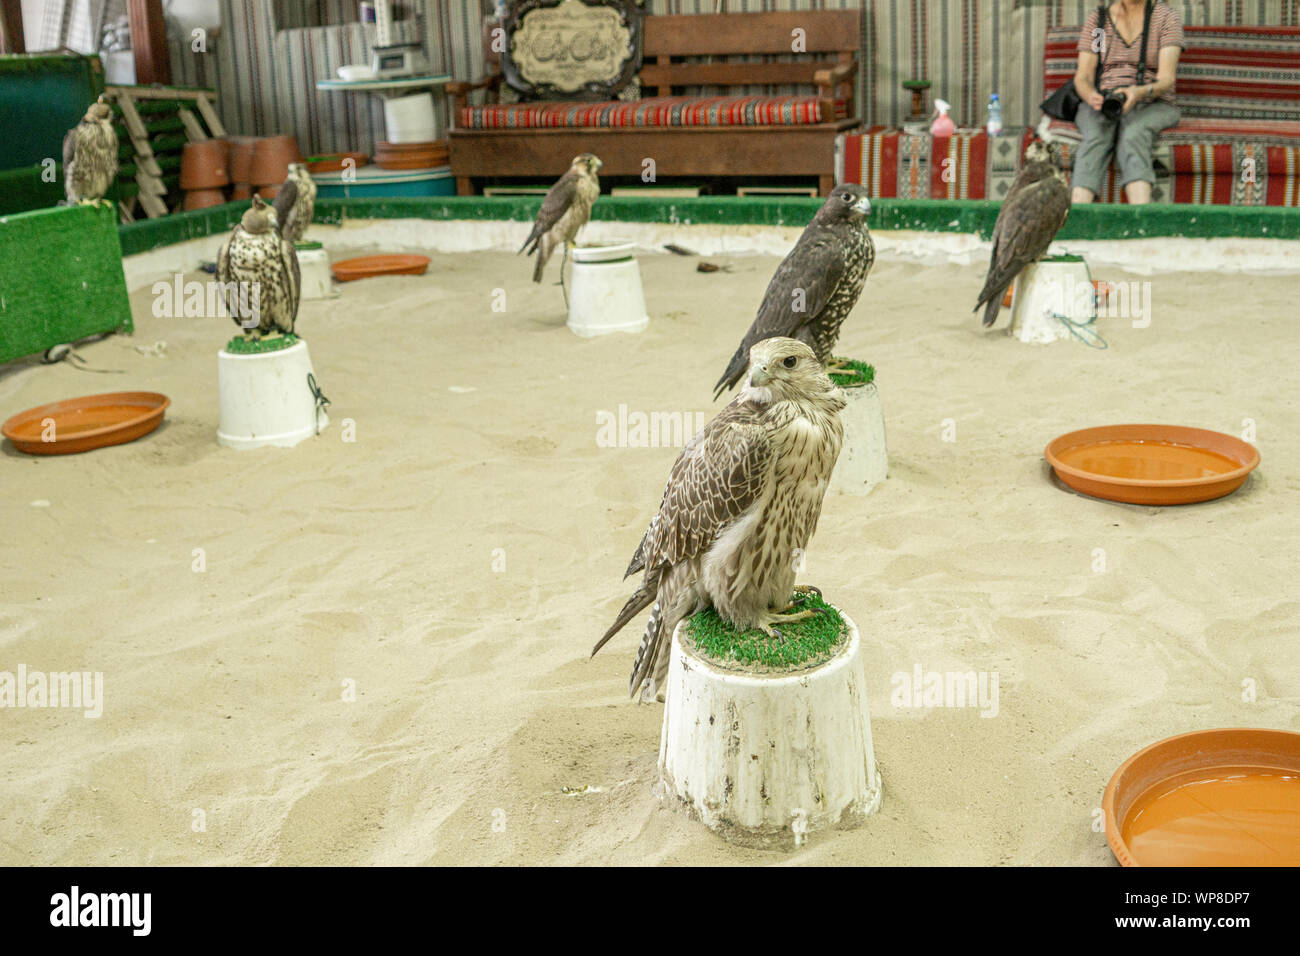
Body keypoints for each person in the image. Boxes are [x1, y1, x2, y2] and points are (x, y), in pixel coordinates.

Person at [1071, 0, 1184, 205]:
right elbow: (1083, 77)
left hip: (1153, 101)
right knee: (1096, 136)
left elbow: (1166, 79)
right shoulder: (1099, 21)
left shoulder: (1165, 18)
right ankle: (1077, 218)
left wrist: (1139, 93)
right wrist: (1090, 96)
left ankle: (1140, 219)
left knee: (1133, 134)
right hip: (1104, 101)